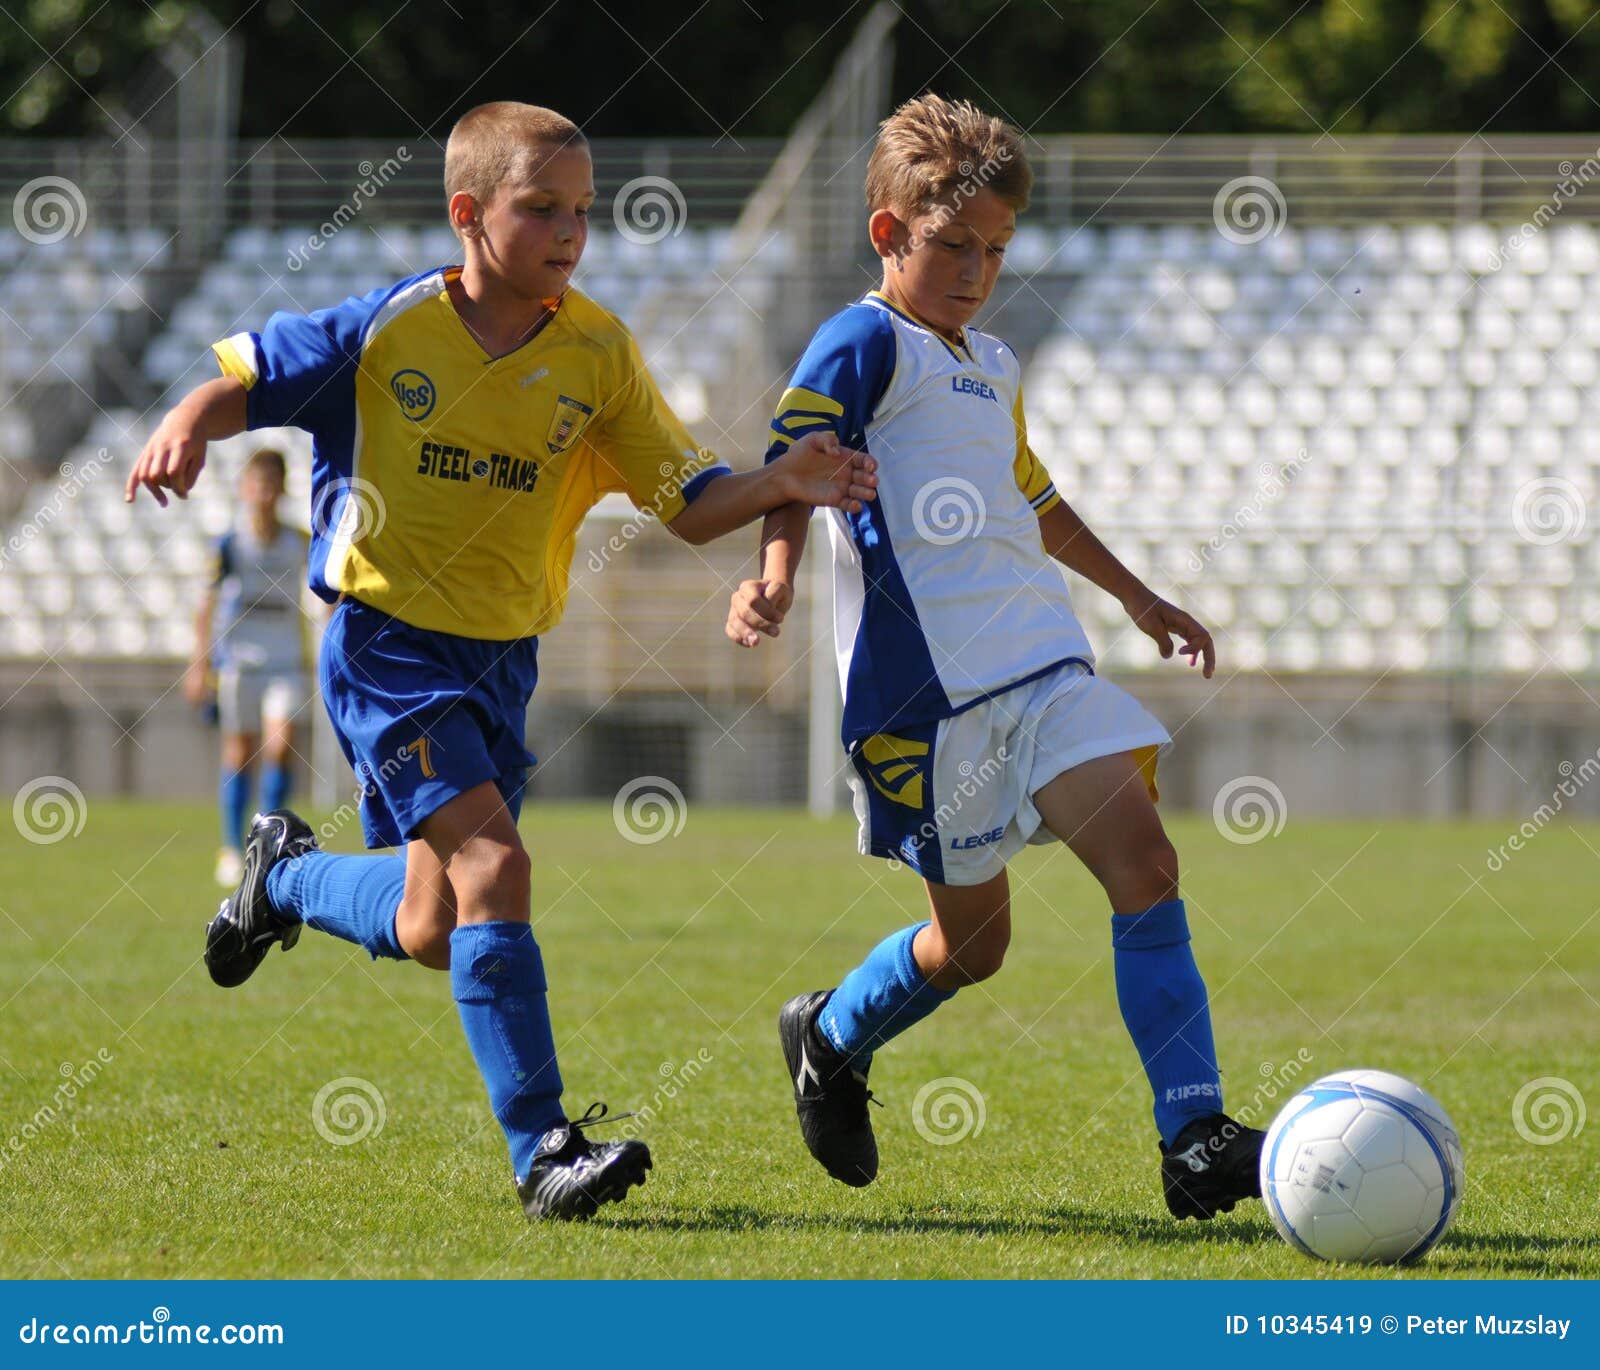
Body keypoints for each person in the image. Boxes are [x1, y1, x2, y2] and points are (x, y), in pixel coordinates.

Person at [127, 101, 876, 1222]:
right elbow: (255, 375)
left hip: (500, 659)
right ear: (468, 215)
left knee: (437, 926)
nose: (571, 232)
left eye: (583, 210)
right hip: (386, 645)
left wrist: (782, 483)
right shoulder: (391, 328)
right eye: (543, 209)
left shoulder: (598, 352)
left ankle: (280, 874)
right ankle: (544, 1150)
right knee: (498, 871)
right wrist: (191, 416)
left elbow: (686, 498)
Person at [726, 93, 1263, 1220]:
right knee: (975, 946)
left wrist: (1138, 595)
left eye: (997, 249)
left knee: (1146, 866)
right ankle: (831, 1034)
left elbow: (1037, 499)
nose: (977, 269)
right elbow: (790, 463)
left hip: (1043, 666)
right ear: (889, 234)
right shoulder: (864, 340)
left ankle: (1196, 1134)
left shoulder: (995, 359)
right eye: (954, 245)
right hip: (926, 702)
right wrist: (772, 577)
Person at [185, 448, 311, 886]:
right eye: (257, 483)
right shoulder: (229, 545)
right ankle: (231, 847)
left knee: (280, 745)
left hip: (286, 662)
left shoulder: (299, 541)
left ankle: (270, 845)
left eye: (272, 483)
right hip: (238, 663)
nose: (264, 492)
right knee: (240, 753)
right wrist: (199, 665)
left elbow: (325, 594)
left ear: (282, 488)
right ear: (244, 488)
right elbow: (207, 606)